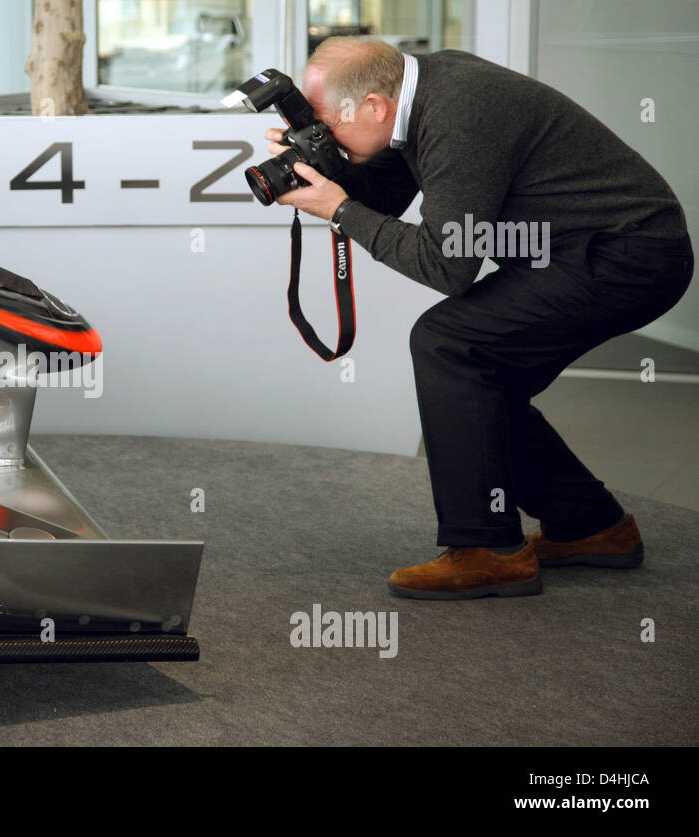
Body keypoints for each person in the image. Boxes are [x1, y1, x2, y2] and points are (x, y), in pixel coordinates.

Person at [266, 37, 692, 600]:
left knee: (450, 344)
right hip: (574, 247)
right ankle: (592, 526)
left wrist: (341, 211)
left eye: (325, 125)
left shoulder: (460, 116)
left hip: (626, 253)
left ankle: (488, 548)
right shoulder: (417, 87)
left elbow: (448, 266)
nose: (325, 136)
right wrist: (325, 166)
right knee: (484, 377)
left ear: (373, 105)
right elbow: (388, 196)